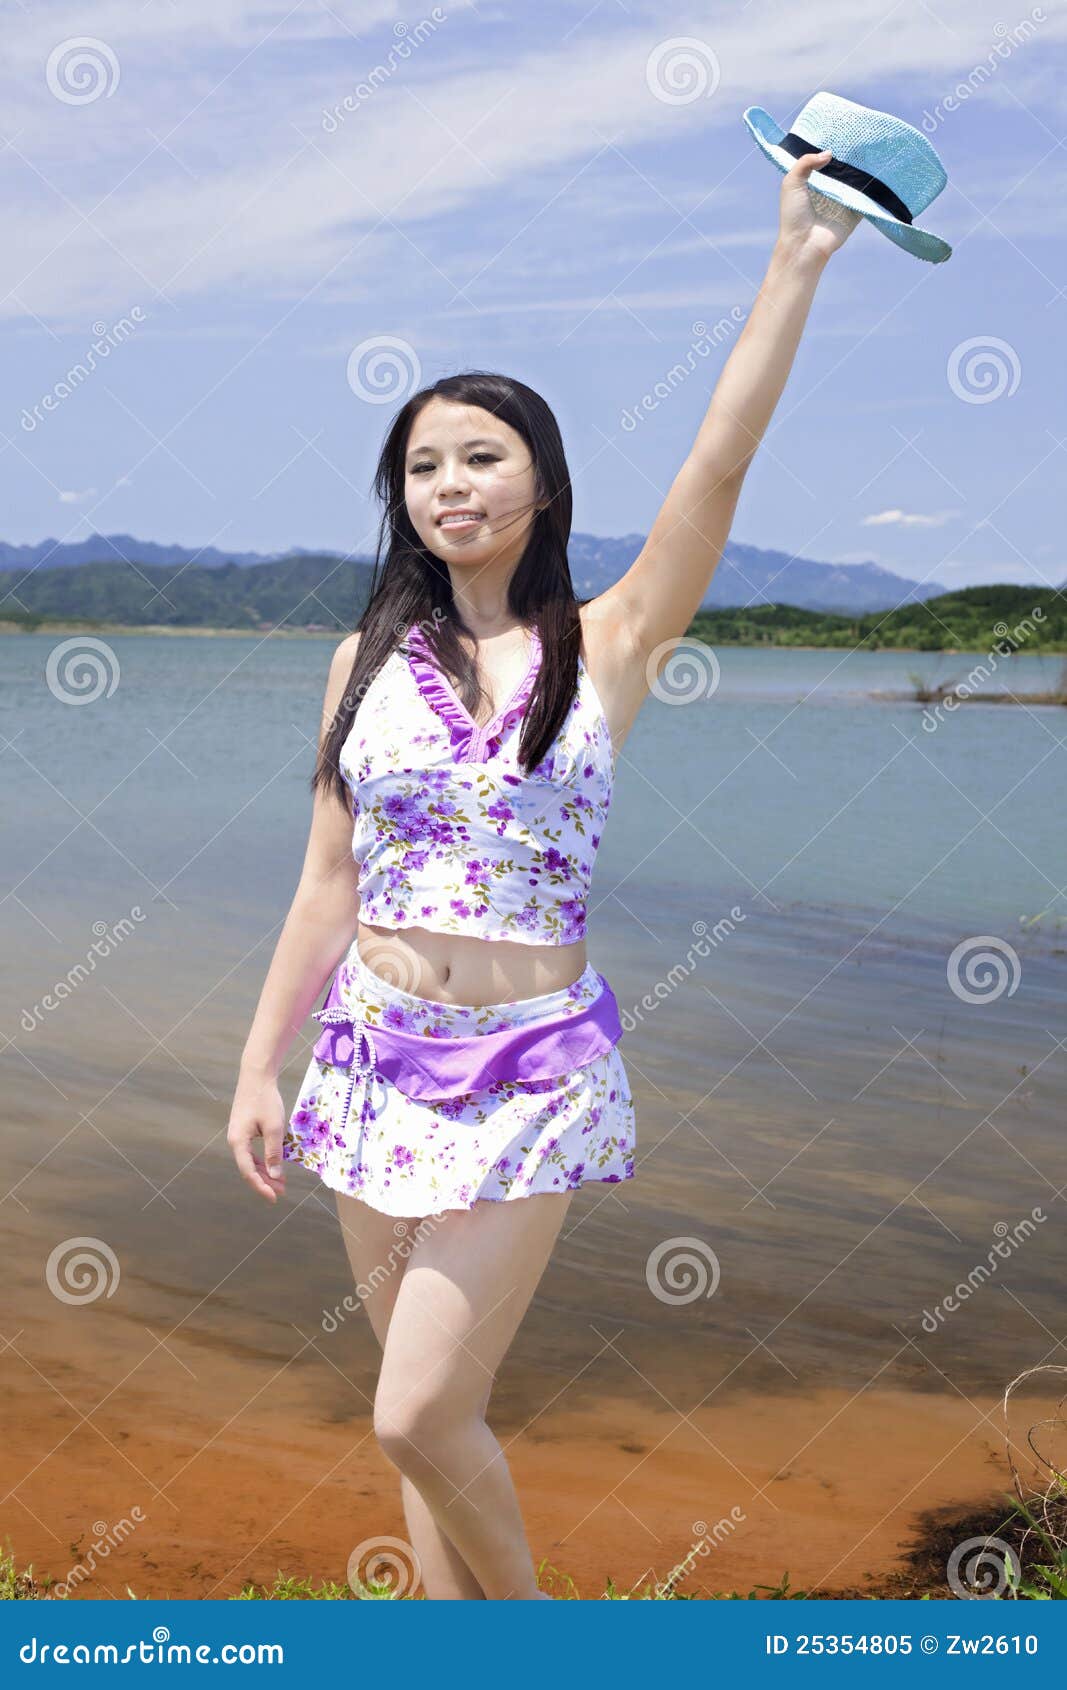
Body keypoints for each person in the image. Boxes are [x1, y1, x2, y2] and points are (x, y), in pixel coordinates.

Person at [227, 150, 860, 1601]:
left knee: (417, 1407)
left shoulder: (610, 640)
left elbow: (716, 464)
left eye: (482, 455)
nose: (451, 484)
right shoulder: (360, 661)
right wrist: (261, 1064)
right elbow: (326, 883)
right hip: (371, 1055)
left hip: (532, 1072)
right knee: (423, 1432)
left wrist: (796, 258)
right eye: (425, 464)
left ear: (543, 479)